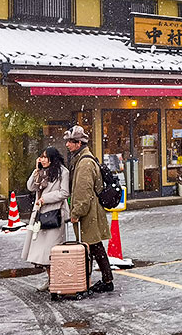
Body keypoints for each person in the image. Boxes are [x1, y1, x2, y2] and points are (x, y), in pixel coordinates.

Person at [63, 125, 114, 293]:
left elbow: (82, 191)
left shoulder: (84, 163)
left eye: (70, 142)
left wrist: (76, 212)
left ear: (79, 143)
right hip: (91, 209)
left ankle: (105, 280)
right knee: (93, 246)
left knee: (93, 246)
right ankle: (103, 279)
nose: (67, 145)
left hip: (89, 212)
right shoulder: (82, 159)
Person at [22, 147, 70, 292]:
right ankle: (51, 280)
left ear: (52, 158)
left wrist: (45, 199)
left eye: (44, 157)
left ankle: (55, 281)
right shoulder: (41, 173)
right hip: (40, 215)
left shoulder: (63, 172)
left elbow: (64, 192)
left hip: (55, 214)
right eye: (40, 157)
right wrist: (36, 170)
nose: (41, 159)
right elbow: (30, 187)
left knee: (52, 251)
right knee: (42, 252)